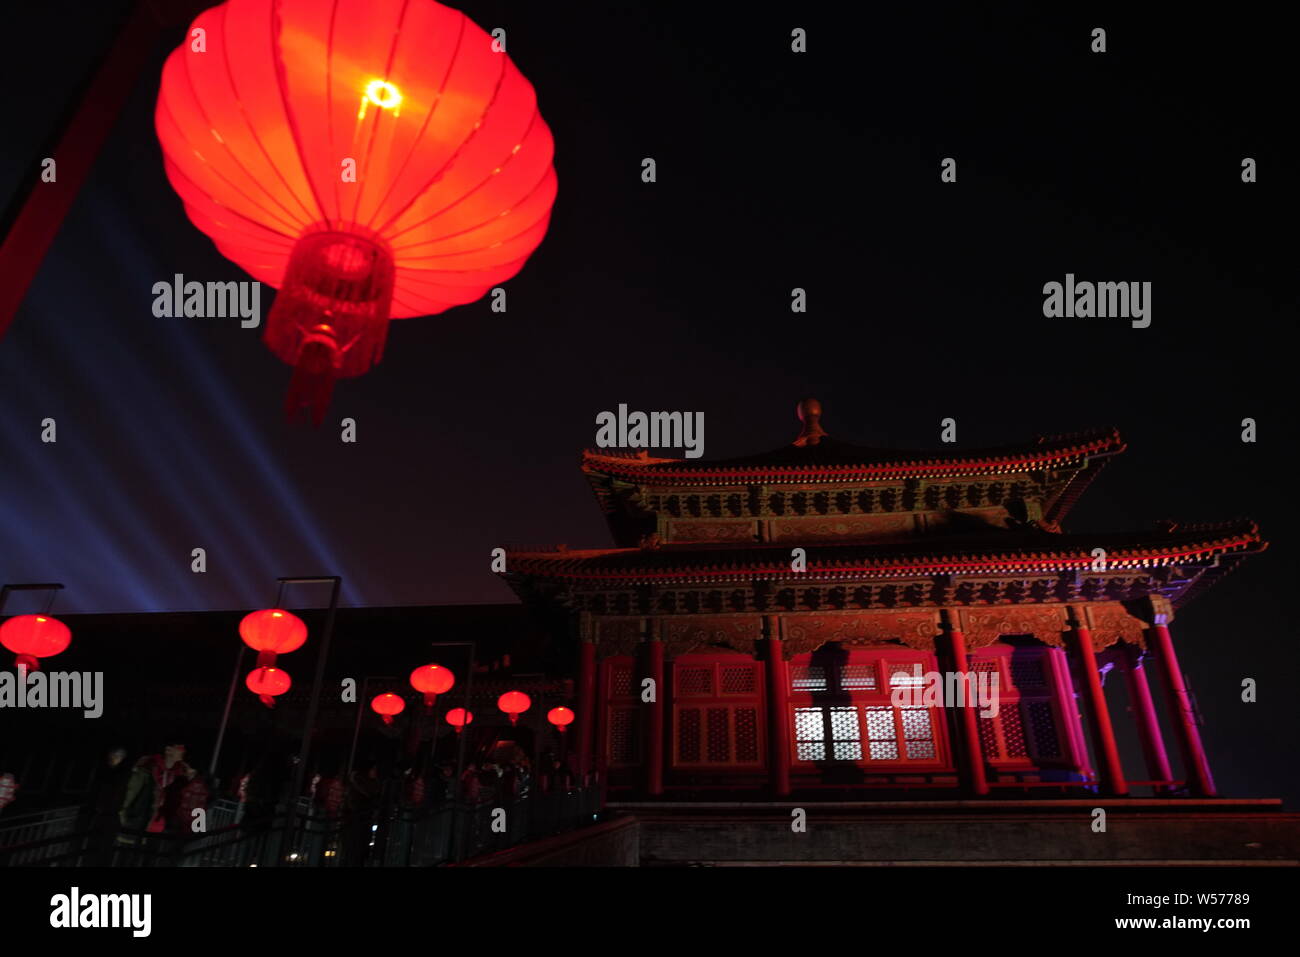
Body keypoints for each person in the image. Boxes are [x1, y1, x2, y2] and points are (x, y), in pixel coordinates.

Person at [118, 742, 195, 846]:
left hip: (161, 828)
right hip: (137, 823)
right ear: (168, 750)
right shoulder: (148, 766)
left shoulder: (181, 773)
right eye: (179, 748)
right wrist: (123, 815)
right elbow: (131, 793)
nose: (183, 751)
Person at [84, 746, 132, 863]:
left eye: (114, 756)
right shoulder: (115, 773)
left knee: (103, 845)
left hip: (110, 813)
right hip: (106, 813)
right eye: (111, 756)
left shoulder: (119, 774)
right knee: (100, 844)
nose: (110, 759)